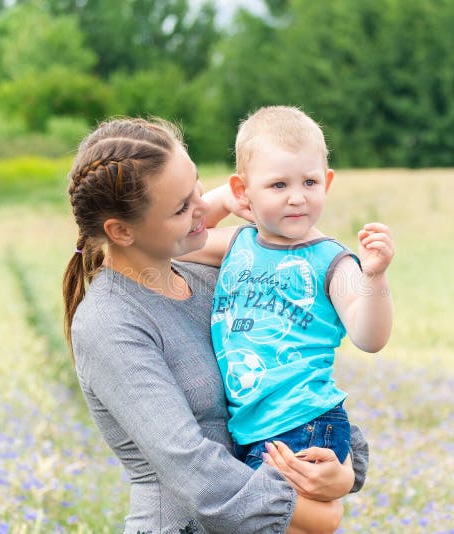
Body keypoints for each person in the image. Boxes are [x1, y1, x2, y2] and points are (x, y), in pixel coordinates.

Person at [62, 116, 369, 534]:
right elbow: (188, 463)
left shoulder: (214, 279)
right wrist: (317, 514)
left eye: (199, 190)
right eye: (180, 207)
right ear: (121, 230)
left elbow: (293, 384)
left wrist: (345, 468)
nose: (203, 210)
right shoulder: (109, 322)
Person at [186, 106, 394, 472]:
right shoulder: (238, 243)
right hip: (250, 432)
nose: (297, 197)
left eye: (309, 183)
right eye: (279, 185)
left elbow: (370, 337)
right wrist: (222, 199)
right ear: (243, 190)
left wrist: (374, 278)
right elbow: (178, 240)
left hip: (304, 424)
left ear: (326, 183)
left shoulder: (332, 261)